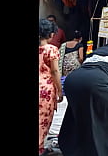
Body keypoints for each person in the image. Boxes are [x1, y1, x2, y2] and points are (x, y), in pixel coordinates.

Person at [58, 34, 108, 156]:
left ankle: (75, 148)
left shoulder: (95, 53)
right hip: (93, 84)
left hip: (71, 81)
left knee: (82, 114)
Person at [39, 18, 63, 155]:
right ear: (51, 35)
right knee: (43, 120)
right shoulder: (51, 50)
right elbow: (54, 71)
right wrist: (60, 90)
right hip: (45, 90)